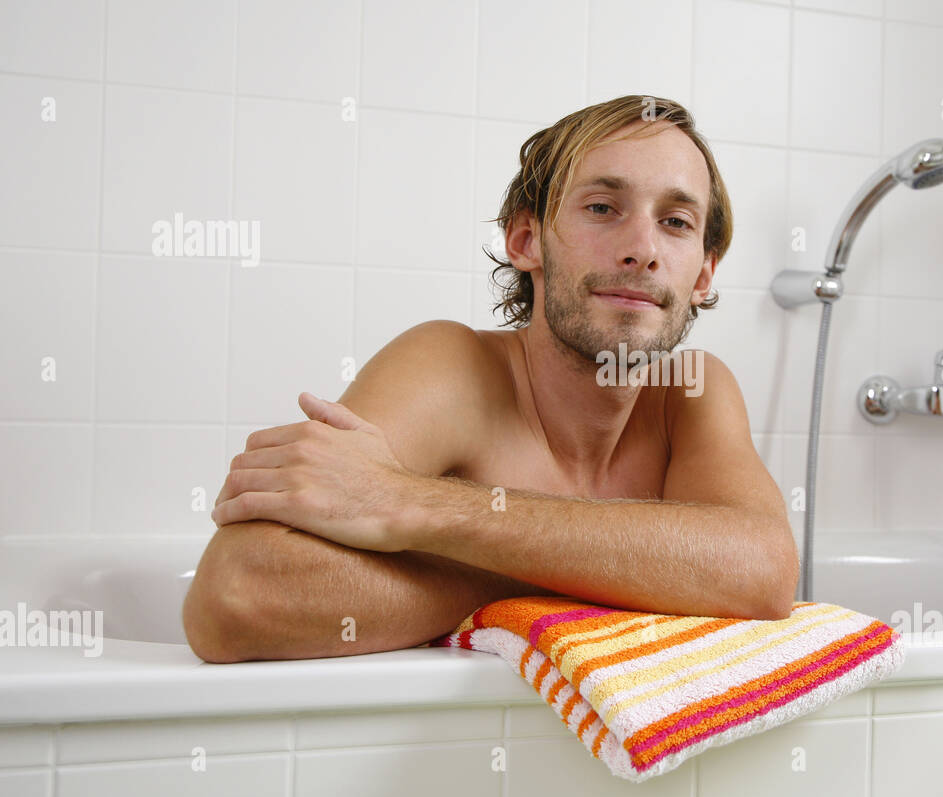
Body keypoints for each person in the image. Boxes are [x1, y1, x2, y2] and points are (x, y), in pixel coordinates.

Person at [181, 95, 799, 663]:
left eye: (676, 222)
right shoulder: (451, 367)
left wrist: (414, 505)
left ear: (702, 276)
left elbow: (764, 571)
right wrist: (623, 569)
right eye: (602, 208)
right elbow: (237, 597)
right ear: (527, 239)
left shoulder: (690, 392)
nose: (643, 249)